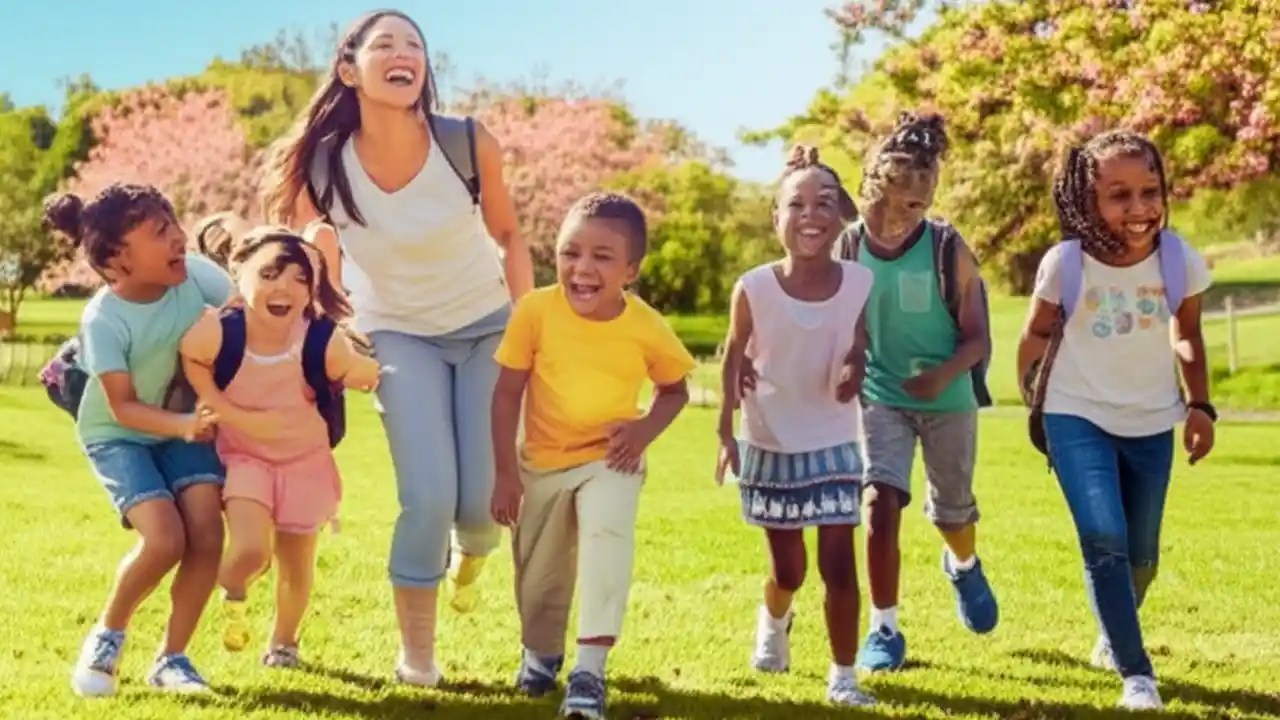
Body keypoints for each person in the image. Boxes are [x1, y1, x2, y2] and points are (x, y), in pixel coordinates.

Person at [259, 9, 535, 685]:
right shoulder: (321, 163)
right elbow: (291, 247)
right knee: (428, 494)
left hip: (486, 328)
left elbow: (510, 237)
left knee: (480, 508)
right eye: (385, 44)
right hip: (396, 335)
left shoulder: (468, 142)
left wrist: (530, 324)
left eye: (414, 44)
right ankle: (417, 655)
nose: (404, 53)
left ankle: (472, 552)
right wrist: (316, 313)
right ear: (349, 70)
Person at [1017, 129, 1215, 711]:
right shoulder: (1065, 264)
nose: (1139, 208)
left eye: (1149, 191)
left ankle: (1111, 631)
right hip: (1075, 413)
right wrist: (1030, 388)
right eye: (1119, 195)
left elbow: (1189, 334)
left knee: (1142, 555)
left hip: (1153, 419)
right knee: (1104, 537)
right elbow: (1035, 331)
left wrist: (1200, 406)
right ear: (1087, 200)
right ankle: (1138, 675)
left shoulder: (1179, 259)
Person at [489, 191, 695, 719]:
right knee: (538, 577)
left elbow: (675, 390)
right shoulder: (535, 311)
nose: (581, 269)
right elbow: (507, 392)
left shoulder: (646, 326)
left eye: (602, 257)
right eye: (569, 252)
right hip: (540, 462)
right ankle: (542, 654)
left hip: (611, 458)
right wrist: (506, 474)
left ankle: (589, 673)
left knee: (608, 537)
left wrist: (645, 429)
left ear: (630, 270)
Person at [44, 184, 233, 696]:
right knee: (165, 539)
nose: (177, 237)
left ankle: (173, 658)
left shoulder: (197, 276)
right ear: (116, 261)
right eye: (159, 232)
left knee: (208, 533)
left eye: (174, 223)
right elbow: (122, 406)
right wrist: (184, 424)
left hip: (185, 424)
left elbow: (247, 317)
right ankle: (108, 635)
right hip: (119, 435)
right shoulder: (104, 319)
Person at [832, 113, 997, 674]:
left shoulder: (949, 248)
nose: (898, 219)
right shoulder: (850, 246)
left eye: (914, 208)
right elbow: (850, 320)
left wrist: (942, 376)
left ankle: (963, 563)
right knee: (879, 502)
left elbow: (976, 339)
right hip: (883, 395)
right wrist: (853, 362)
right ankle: (885, 629)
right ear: (866, 191)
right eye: (887, 202)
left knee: (952, 514)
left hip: (948, 398)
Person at [178, 227, 380, 668]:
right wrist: (220, 407)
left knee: (296, 561)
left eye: (299, 279)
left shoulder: (321, 340)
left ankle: (284, 644)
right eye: (269, 273)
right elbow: (191, 358)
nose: (284, 288)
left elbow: (357, 371)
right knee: (251, 550)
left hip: (305, 462)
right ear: (238, 273)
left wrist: (378, 373)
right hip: (245, 457)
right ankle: (233, 586)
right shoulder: (218, 331)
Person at [718, 146, 876, 707]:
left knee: (838, 563)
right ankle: (774, 620)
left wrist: (857, 362)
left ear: (840, 216)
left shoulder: (859, 282)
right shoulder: (754, 287)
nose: (810, 215)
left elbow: (856, 339)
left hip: (834, 436)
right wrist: (723, 433)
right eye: (797, 204)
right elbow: (733, 355)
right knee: (790, 567)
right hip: (770, 438)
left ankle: (844, 676)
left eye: (824, 203)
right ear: (776, 218)